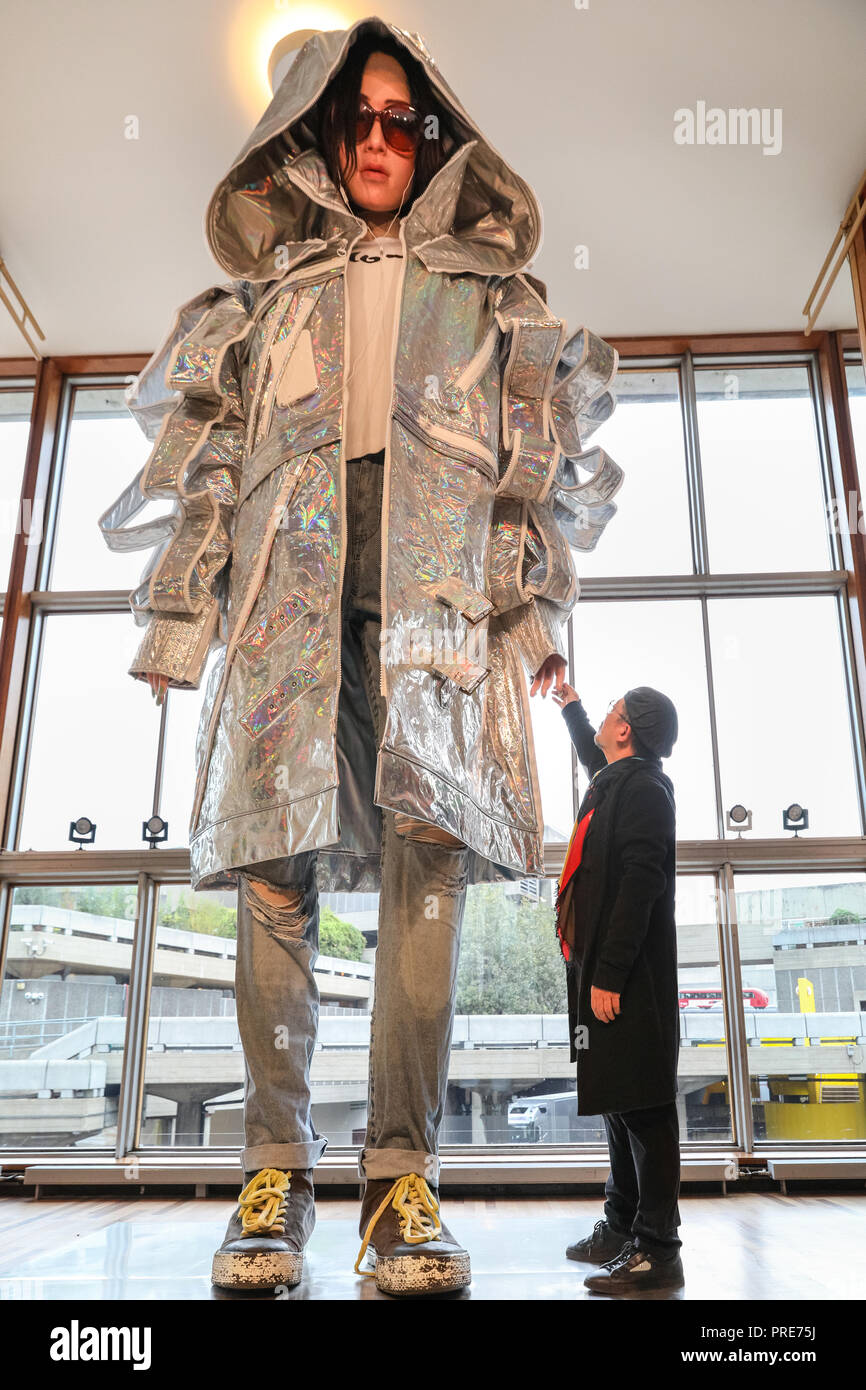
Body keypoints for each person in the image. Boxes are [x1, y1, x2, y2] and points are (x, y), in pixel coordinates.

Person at [98, 16, 621, 1297]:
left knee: (422, 875)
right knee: (271, 868)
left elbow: (526, 475)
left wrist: (536, 626)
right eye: (361, 120)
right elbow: (211, 456)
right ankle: (274, 1175)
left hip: (437, 588)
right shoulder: (264, 298)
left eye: (406, 121)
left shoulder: (494, 298)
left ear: (431, 138)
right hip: (290, 583)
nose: (383, 139)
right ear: (323, 136)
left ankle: (402, 1179)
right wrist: (179, 619)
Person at [551, 680, 683, 1293]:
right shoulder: (615, 782)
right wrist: (572, 709)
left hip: (625, 977)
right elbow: (592, 755)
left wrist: (610, 974)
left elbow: (641, 884)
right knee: (616, 1100)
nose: (604, 719)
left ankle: (658, 1248)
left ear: (627, 729)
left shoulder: (647, 790)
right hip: (597, 968)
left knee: (645, 1107)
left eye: (610, 712)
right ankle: (622, 1223)